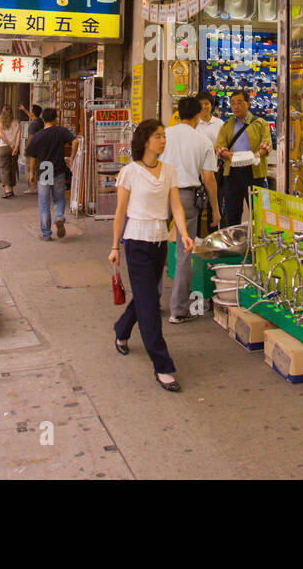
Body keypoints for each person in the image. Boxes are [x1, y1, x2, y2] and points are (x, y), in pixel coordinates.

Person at [109, 119, 194, 392]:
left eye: (164, 137)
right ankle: (163, 365)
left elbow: (177, 207)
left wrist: (182, 233)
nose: (163, 141)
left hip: (159, 243)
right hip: (135, 242)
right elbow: (120, 212)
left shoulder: (169, 171)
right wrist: (114, 247)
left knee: (148, 296)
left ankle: (122, 329)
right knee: (149, 303)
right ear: (145, 140)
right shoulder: (130, 172)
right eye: (158, 136)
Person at [161, 96, 221, 323]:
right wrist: (215, 209)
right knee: (184, 253)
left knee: (155, 248)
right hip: (186, 196)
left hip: (160, 193)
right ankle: (179, 309)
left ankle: (152, 301)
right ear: (198, 115)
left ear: (178, 112)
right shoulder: (202, 141)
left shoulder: (163, 135)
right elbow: (208, 178)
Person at [214, 89, 272, 225]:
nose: (235, 106)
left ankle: (258, 242)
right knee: (232, 213)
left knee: (260, 212)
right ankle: (234, 244)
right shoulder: (227, 125)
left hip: (255, 172)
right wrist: (228, 155)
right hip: (232, 173)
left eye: (239, 103)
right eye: (232, 103)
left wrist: (256, 155)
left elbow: (267, 145)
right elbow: (219, 147)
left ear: (248, 104)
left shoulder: (260, 123)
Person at [26, 108, 78, 240]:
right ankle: (59, 216)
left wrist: (31, 173)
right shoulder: (60, 131)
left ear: (43, 119)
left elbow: (32, 156)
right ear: (56, 118)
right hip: (58, 168)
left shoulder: (38, 135)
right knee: (59, 198)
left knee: (44, 203)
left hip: (44, 168)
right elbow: (75, 141)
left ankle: (46, 233)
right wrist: (72, 157)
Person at [195, 91, 223, 234]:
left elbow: (224, 146)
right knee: (197, 207)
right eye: (200, 104)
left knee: (215, 204)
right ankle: (197, 238)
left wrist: (215, 148)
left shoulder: (219, 124)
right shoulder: (193, 124)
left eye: (207, 103)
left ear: (211, 105)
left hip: (214, 171)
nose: (204, 107)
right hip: (195, 173)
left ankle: (214, 238)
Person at [0, 106, 21, 198]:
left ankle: (7, 190)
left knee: (5, 168)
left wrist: (9, 144)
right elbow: (18, 135)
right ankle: (12, 188)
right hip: (14, 148)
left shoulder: (0, 123)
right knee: (13, 168)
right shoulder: (16, 122)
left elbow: (1, 136)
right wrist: (15, 147)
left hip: (4, 147)